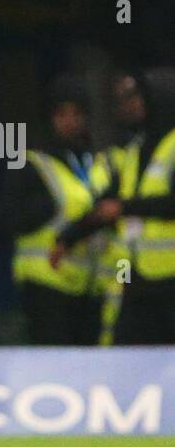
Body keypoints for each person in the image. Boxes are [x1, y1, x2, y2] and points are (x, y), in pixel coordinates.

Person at [53, 68, 175, 345]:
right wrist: (68, 237)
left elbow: (123, 206)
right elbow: (108, 204)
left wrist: (127, 208)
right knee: (129, 350)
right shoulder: (138, 149)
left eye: (135, 97)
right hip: (140, 276)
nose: (129, 105)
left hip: (171, 279)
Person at [1, 75, 110, 346]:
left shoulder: (100, 163)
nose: (69, 122)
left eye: (76, 114)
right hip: (46, 282)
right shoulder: (30, 162)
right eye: (61, 114)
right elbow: (6, 221)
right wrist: (46, 208)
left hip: (91, 283)